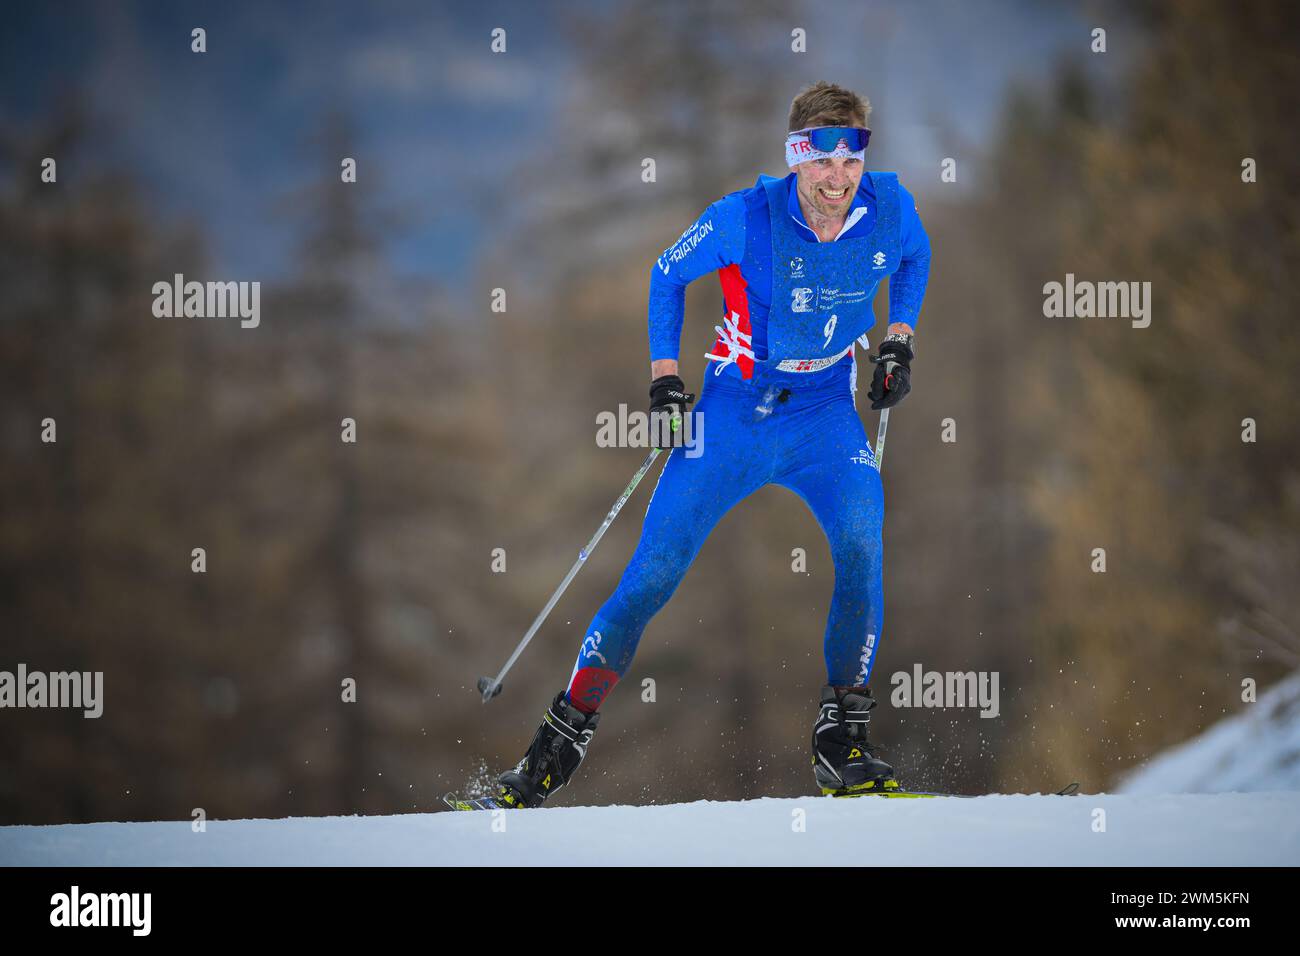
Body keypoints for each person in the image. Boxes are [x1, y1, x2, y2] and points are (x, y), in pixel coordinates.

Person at [497, 81, 931, 807]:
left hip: (825, 411)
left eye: (849, 161)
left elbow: (914, 261)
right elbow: (667, 272)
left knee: (863, 538)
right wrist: (666, 380)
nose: (836, 179)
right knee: (653, 574)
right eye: (820, 162)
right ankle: (551, 750)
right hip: (736, 410)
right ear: (796, 158)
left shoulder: (891, 209)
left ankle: (843, 745)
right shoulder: (745, 218)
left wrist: (898, 342)